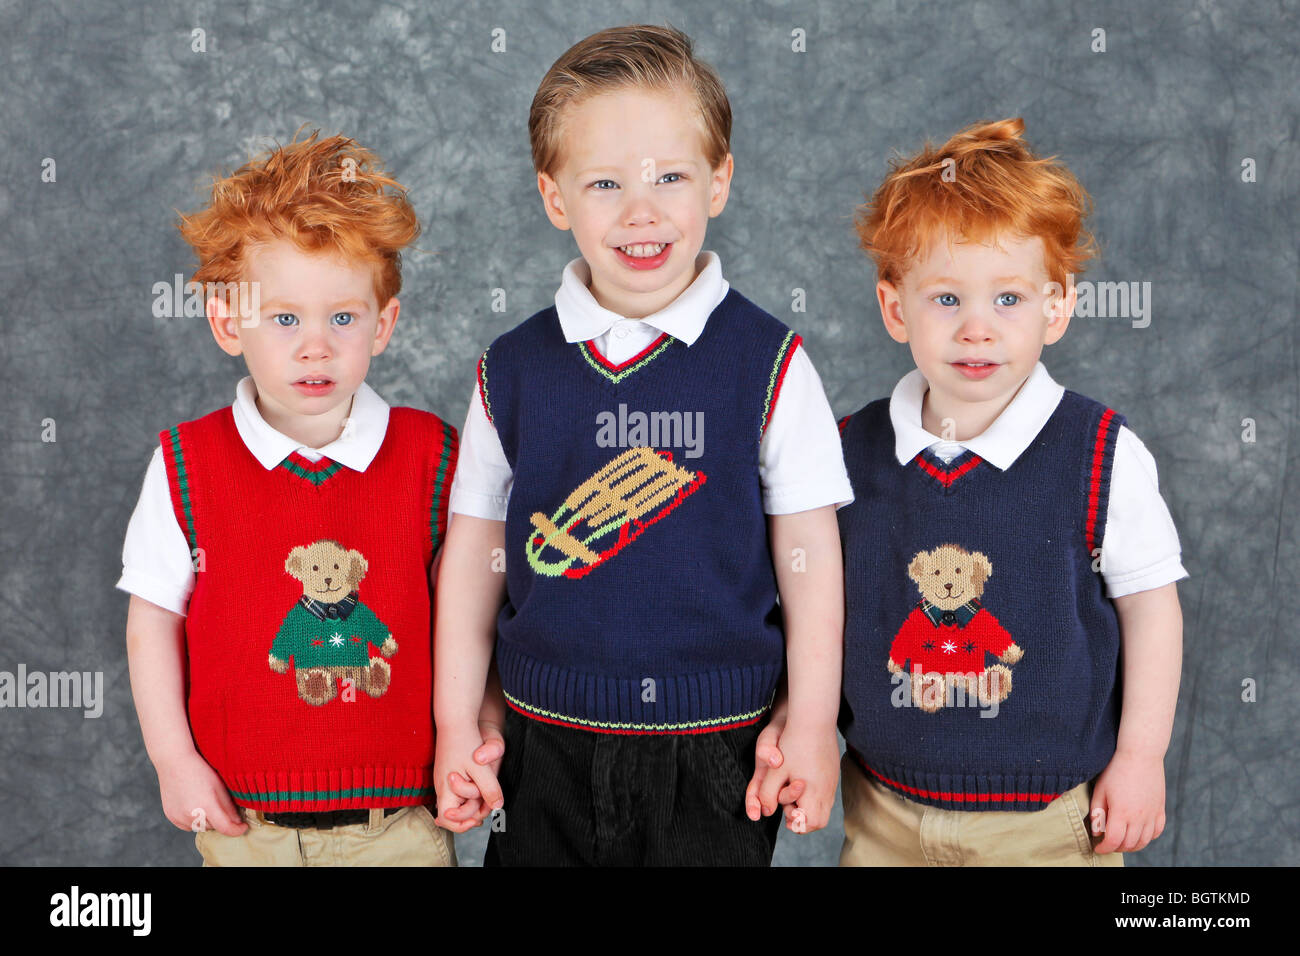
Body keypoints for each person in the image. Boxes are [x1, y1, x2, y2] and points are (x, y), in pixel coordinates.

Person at [432, 24, 853, 865]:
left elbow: (810, 552)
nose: (641, 210)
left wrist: (810, 720)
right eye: (604, 183)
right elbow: (475, 550)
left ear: (719, 181)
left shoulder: (768, 362)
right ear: (555, 199)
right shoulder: (510, 369)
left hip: (716, 745)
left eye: (670, 176)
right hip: (542, 738)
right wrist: (454, 717)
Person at [834, 117, 1187, 865]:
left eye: (1008, 299)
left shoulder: (1100, 453)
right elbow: (809, 610)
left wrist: (1142, 756)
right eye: (946, 299)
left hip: (1050, 823)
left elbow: (1152, 611)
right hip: (883, 808)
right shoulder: (848, 450)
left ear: (1056, 308)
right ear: (896, 308)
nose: (976, 330)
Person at [118, 127, 460, 866]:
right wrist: (174, 762)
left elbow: (473, 618)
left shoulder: (433, 456)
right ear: (226, 321)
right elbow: (151, 625)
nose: (316, 346)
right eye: (284, 318)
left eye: (343, 317)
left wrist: (471, 734)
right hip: (247, 825)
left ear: (384, 324)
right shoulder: (187, 463)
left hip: (397, 820)